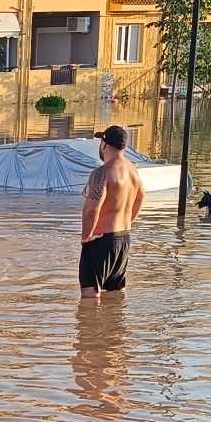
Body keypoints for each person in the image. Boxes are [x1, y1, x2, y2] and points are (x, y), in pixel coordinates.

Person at [79, 126, 144, 299]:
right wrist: (127, 222)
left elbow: (92, 209)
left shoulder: (102, 173)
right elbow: (140, 199)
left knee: (90, 297)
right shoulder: (133, 170)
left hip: (100, 240)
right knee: (116, 295)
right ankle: (115, 326)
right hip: (123, 238)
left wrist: (86, 237)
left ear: (104, 145)